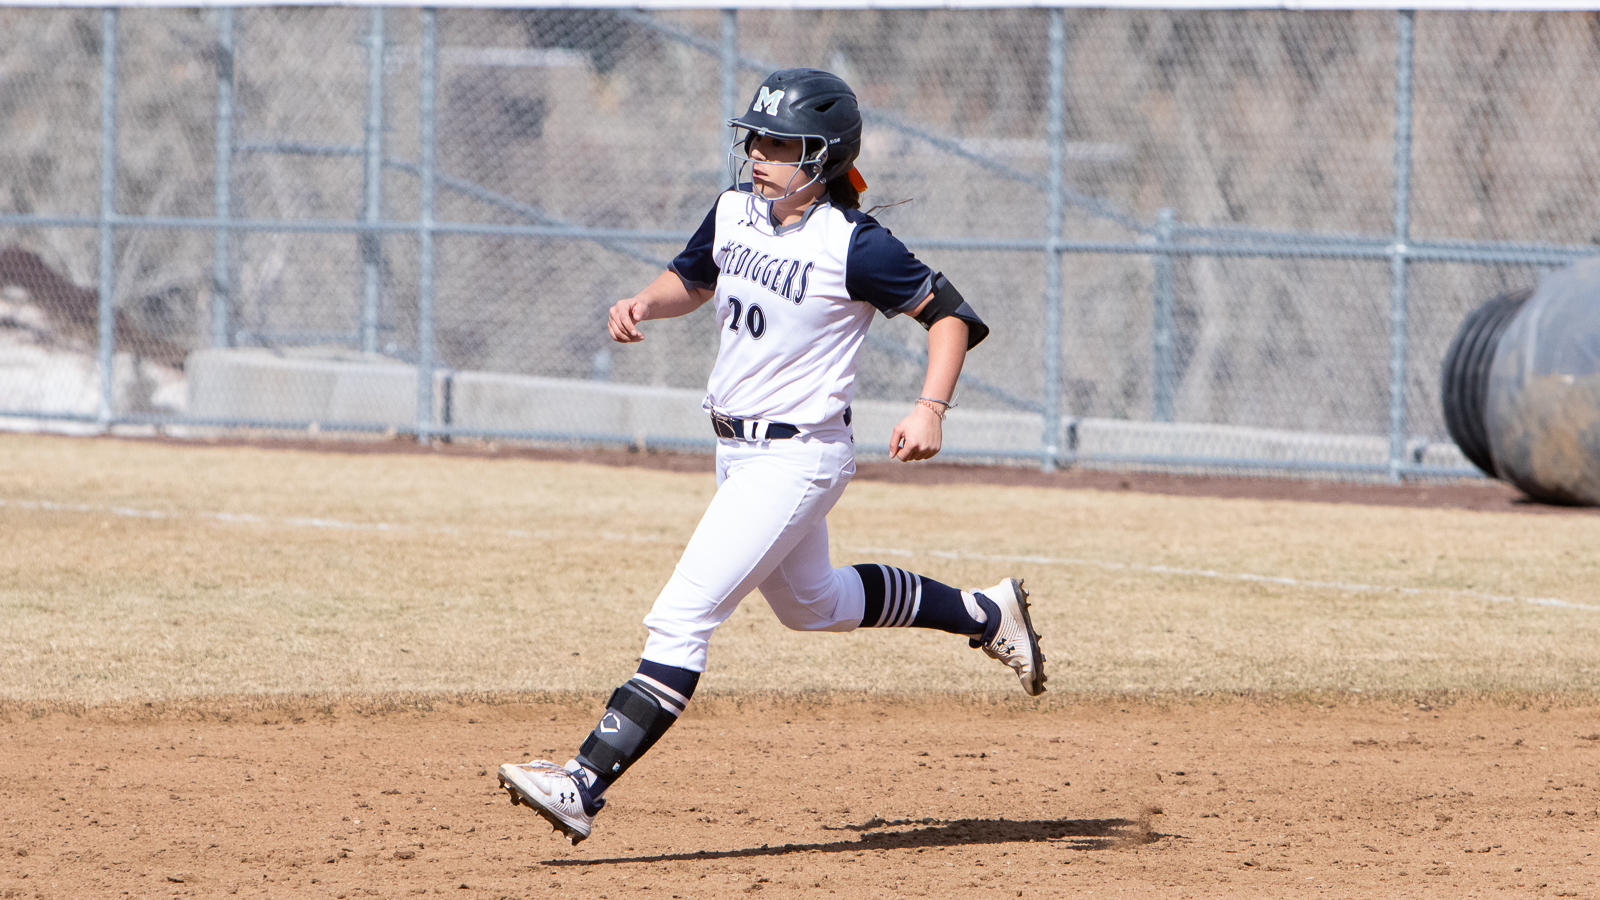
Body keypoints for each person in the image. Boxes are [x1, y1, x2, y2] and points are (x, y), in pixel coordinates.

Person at [497, 68, 1046, 845]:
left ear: (823, 158)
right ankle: (987, 612)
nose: (760, 154)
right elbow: (693, 279)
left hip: (798, 457)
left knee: (683, 617)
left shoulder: (854, 243)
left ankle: (582, 784)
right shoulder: (733, 213)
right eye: (755, 138)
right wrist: (644, 302)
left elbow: (952, 318)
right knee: (813, 605)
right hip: (736, 451)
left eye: (781, 143)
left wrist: (931, 408)